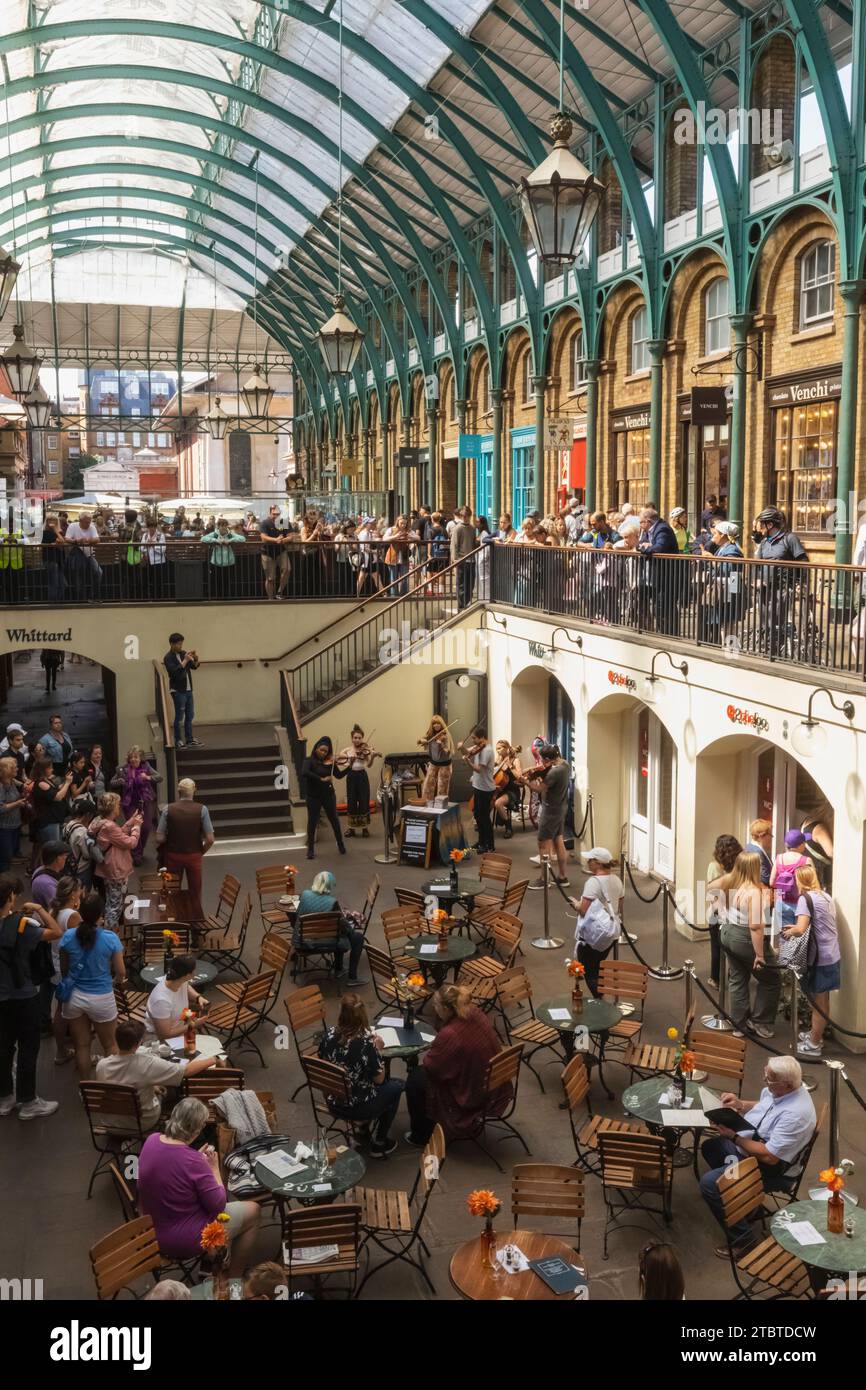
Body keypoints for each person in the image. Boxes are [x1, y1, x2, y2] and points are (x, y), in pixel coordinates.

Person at [698, 1056, 816, 1256]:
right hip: (755, 1145)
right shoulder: (784, 1090)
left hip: (772, 1170)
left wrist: (734, 1137)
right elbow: (765, 1105)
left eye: (769, 1079)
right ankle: (744, 1199)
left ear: (786, 1084)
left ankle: (743, 1241)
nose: (764, 1080)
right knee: (712, 1147)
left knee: (711, 1184)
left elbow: (770, 1157)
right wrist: (740, 1104)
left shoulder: (795, 1115)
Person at [138, 1097, 260, 1277]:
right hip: (184, 1240)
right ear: (195, 1129)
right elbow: (219, 1204)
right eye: (203, 1125)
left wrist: (195, 1160)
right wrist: (213, 1168)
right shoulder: (192, 1161)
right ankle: (234, 1278)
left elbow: (172, 1166)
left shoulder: (152, 1140)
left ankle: (210, 1263)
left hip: (151, 1229)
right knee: (254, 1211)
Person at [404, 983, 509, 1145]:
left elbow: (432, 1067)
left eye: (436, 1005)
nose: (434, 1007)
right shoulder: (474, 1012)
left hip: (473, 1092)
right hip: (494, 1083)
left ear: (446, 1008)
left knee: (415, 1079)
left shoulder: (450, 1034)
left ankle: (421, 1135)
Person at [0, 873, 62, 1118]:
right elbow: (55, 932)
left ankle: (5, 1097)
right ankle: (28, 1101)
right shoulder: (22, 926)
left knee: (3, 1047)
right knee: (28, 1047)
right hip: (23, 995)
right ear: (10, 898)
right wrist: (39, 908)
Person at [317, 993, 403, 1155]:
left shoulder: (327, 1035)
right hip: (357, 1106)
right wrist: (378, 1050)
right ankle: (379, 1142)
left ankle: (363, 1131)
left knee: (372, 1084)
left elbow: (322, 1060)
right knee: (396, 1086)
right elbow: (379, 1079)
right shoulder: (366, 1043)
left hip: (333, 1099)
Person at [98, 1018, 218, 1129]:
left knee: (156, 1086)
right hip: (141, 1122)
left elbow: (122, 1082)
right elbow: (186, 1071)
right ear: (138, 1043)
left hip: (110, 1122)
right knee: (171, 1089)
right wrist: (214, 1059)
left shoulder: (102, 1065)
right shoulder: (147, 1064)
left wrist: (152, 1086)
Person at [58, 890, 125, 1077]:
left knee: (82, 1045)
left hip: (74, 997)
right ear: (101, 914)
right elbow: (121, 972)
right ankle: (111, 1084)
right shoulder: (110, 938)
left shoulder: (68, 936)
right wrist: (113, 982)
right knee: (110, 1045)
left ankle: (85, 1088)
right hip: (101, 996)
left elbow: (64, 969)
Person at [717, 851, 780, 1039]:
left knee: (737, 977)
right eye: (759, 864)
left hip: (727, 932)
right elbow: (755, 927)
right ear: (754, 868)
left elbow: (713, 894)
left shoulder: (730, 882)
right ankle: (760, 1022)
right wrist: (760, 956)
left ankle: (739, 1025)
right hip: (743, 937)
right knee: (772, 978)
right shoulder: (753, 891)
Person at [782, 864, 840, 1058]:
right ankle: (817, 1035)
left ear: (800, 880)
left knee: (818, 1002)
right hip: (832, 954)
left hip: (820, 957)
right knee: (823, 1000)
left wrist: (789, 931)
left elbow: (800, 929)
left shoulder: (804, 899)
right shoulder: (826, 896)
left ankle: (815, 1043)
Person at [154, 778, 215, 923]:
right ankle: (195, 921)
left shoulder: (168, 809)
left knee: (173, 889)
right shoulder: (202, 809)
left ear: (178, 791)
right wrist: (201, 852)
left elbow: (159, 837)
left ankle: (174, 919)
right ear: (194, 790)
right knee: (195, 891)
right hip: (194, 856)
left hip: (173, 855)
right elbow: (210, 839)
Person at [752, 508, 808, 657]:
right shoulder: (764, 542)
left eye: (761, 524)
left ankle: (778, 652)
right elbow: (756, 564)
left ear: (770, 525)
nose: (759, 527)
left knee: (777, 620)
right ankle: (768, 649)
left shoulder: (789, 538)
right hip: (765, 588)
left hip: (783, 586)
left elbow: (803, 561)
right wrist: (757, 579)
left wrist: (799, 583)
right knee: (765, 620)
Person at [567, 848, 623, 995]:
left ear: (597, 863)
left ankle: (599, 1001)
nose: (588, 862)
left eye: (590, 860)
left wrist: (574, 903)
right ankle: (601, 995)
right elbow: (619, 907)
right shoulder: (617, 880)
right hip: (611, 931)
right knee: (599, 965)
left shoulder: (593, 882)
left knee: (589, 970)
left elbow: (583, 909)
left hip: (594, 934)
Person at [294, 871, 365, 985]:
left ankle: (339, 968)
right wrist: (353, 922)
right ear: (329, 886)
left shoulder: (305, 894)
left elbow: (297, 914)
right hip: (320, 942)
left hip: (301, 941)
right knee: (356, 937)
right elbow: (345, 927)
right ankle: (352, 977)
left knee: (337, 933)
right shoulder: (332, 902)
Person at [91, 792, 142, 930]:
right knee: (114, 906)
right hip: (116, 869)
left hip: (106, 867)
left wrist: (131, 821)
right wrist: (136, 827)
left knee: (110, 901)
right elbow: (130, 843)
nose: (119, 807)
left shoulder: (100, 822)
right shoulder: (110, 826)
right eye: (118, 805)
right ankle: (110, 936)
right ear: (113, 808)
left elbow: (117, 835)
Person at [526, 744, 570, 888]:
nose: (541, 763)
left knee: (543, 843)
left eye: (542, 759)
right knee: (558, 841)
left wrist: (526, 781)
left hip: (550, 811)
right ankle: (563, 877)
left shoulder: (553, 773)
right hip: (561, 808)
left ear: (548, 759)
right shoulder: (565, 765)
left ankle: (544, 880)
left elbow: (539, 788)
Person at [111, 746, 162, 866]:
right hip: (129, 802)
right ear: (128, 759)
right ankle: (136, 855)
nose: (134, 759)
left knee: (146, 827)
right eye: (131, 757)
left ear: (140, 758)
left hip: (145, 800)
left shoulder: (146, 767)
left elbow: (159, 777)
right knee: (134, 826)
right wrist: (120, 781)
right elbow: (112, 782)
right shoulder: (121, 769)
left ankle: (140, 849)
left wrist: (147, 777)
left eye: (136, 757)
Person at [705, 834, 743, 989]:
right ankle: (733, 977)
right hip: (736, 912)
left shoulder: (713, 866)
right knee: (734, 950)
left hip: (718, 913)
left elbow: (713, 895)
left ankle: (716, 979)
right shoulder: (740, 867)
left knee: (716, 947)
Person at [301, 737, 347, 861]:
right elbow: (304, 772)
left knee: (334, 820)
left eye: (326, 752)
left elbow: (339, 775)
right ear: (316, 748)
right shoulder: (309, 760)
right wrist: (321, 779)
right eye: (321, 750)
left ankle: (340, 844)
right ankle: (310, 849)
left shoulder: (330, 762)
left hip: (328, 795)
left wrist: (350, 766)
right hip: (313, 796)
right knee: (312, 821)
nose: (324, 753)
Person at [145, 954, 210, 1040]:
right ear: (188, 975)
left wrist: (198, 997)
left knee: (197, 1046)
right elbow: (164, 1035)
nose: (196, 972)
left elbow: (186, 987)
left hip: (181, 1022)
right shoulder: (161, 1001)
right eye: (194, 970)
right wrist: (193, 1025)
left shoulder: (176, 978)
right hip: (162, 1042)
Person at [637, 506, 680, 634]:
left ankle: (670, 634)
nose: (639, 525)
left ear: (647, 521)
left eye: (640, 522)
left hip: (667, 575)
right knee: (657, 605)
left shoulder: (663, 529)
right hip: (655, 575)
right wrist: (645, 546)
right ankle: (663, 632)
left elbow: (658, 548)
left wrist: (646, 548)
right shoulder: (647, 531)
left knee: (665, 606)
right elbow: (640, 544)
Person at [338, 725, 379, 838]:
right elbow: (343, 763)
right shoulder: (347, 750)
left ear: (362, 738)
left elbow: (369, 765)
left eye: (359, 738)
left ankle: (364, 828)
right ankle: (351, 829)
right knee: (351, 801)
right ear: (352, 738)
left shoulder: (365, 750)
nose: (357, 740)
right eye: (355, 738)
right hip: (351, 776)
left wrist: (373, 756)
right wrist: (350, 761)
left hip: (362, 775)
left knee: (363, 800)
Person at [163, 633, 202, 750]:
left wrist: (195, 659)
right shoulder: (168, 657)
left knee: (190, 715)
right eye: (178, 644)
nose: (180, 646)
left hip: (188, 689)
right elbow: (174, 673)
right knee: (179, 716)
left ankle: (189, 739)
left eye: (181, 644)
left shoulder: (183, 653)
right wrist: (185, 660)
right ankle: (178, 740)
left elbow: (194, 667)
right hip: (178, 690)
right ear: (171, 644)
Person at [770, 828, 811, 936]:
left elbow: (772, 882)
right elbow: (811, 884)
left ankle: (786, 953)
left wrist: (784, 888)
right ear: (800, 845)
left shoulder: (779, 859)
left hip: (782, 902)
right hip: (800, 903)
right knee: (800, 937)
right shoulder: (806, 860)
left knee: (785, 936)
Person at [31, 760, 74, 855]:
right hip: (48, 820)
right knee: (54, 849)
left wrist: (66, 782)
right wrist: (67, 783)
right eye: (50, 767)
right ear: (43, 770)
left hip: (54, 819)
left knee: (55, 845)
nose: (52, 769)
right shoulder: (41, 783)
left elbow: (56, 789)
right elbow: (58, 797)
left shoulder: (47, 780)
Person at [466, 727, 495, 853]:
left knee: (484, 817)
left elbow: (479, 769)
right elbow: (466, 750)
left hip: (485, 788)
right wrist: (460, 746)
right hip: (478, 786)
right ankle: (481, 841)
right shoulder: (479, 747)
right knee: (478, 815)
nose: (472, 740)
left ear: (482, 737)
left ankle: (489, 844)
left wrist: (468, 762)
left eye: (474, 738)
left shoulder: (487, 751)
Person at [64, 510, 102, 599]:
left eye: (89, 522)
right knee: (78, 577)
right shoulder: (73, 526)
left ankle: (92, 596)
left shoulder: (92, 527)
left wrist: (89, 541)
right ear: (80, 520)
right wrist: (77, 541)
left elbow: (97, 539)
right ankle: (80, 599)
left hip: (89, 555)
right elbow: (66, 539)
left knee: (99, 572)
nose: (88, 524)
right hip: (76, 556)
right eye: (86, 522)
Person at [419, 716, 454, 805]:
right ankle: (427, 805)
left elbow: (448, 751)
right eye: (434, 723)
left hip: (445, 764)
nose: (436, 725)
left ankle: (440, 807)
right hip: (434, 763)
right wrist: (421, 741)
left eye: (438, 723)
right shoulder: (430, 734)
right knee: (428, 785)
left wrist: (441, 744)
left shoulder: (445, 735)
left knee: (442, 787)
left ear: (441, 724)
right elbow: (420, 740)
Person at [492, 741, 523, 839]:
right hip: (501, 789)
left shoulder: (515, 760)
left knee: (497, 803)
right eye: (496, 749)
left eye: (500, 748)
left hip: (512, 791)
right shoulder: (498, 759)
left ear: (507, 748)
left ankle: (508, 827)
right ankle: (483, 822)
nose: (498, 751)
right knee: (484, 798)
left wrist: (510, 765)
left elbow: (519, 777)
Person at [0, 757, 26, 874]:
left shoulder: (12, 781)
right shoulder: (1, 787)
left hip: (15, 823)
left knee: (12, 852)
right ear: (7, 770)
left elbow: (24, 785)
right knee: (5, 856)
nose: (17, 769)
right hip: (4, 826)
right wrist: (17, 803)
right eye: (14, 767)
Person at [260, 504, 291, 600]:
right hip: (267, 553)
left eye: (277, 514)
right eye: (274, 514)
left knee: (287, 570)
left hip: (281, 551)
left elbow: (290, 536)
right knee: (270, 578)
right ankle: (270, 599)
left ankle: (279, 592)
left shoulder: (284, 522)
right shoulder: (265, 523)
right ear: (270, 513)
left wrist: (283, 540)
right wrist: (275, 540)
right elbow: (263, 538)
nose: (276, 516)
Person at [450, 505, 478, 610]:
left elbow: (473, 542)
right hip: (462, 560)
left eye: (467, 516)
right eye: (463, 516)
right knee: (461, 584)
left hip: (471, 560)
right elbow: (454, 545)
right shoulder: (458, 528)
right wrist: (455, 559)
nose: (465, 517)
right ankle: (461, 606)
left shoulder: (472, 528)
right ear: (460, 516)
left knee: (470, 584)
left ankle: (467, 603)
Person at [743, 818, 773, 887]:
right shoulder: (757, 852)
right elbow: (765, 878)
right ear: (761, 836)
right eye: (770, 835)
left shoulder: (750, 847)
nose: (771, 838)